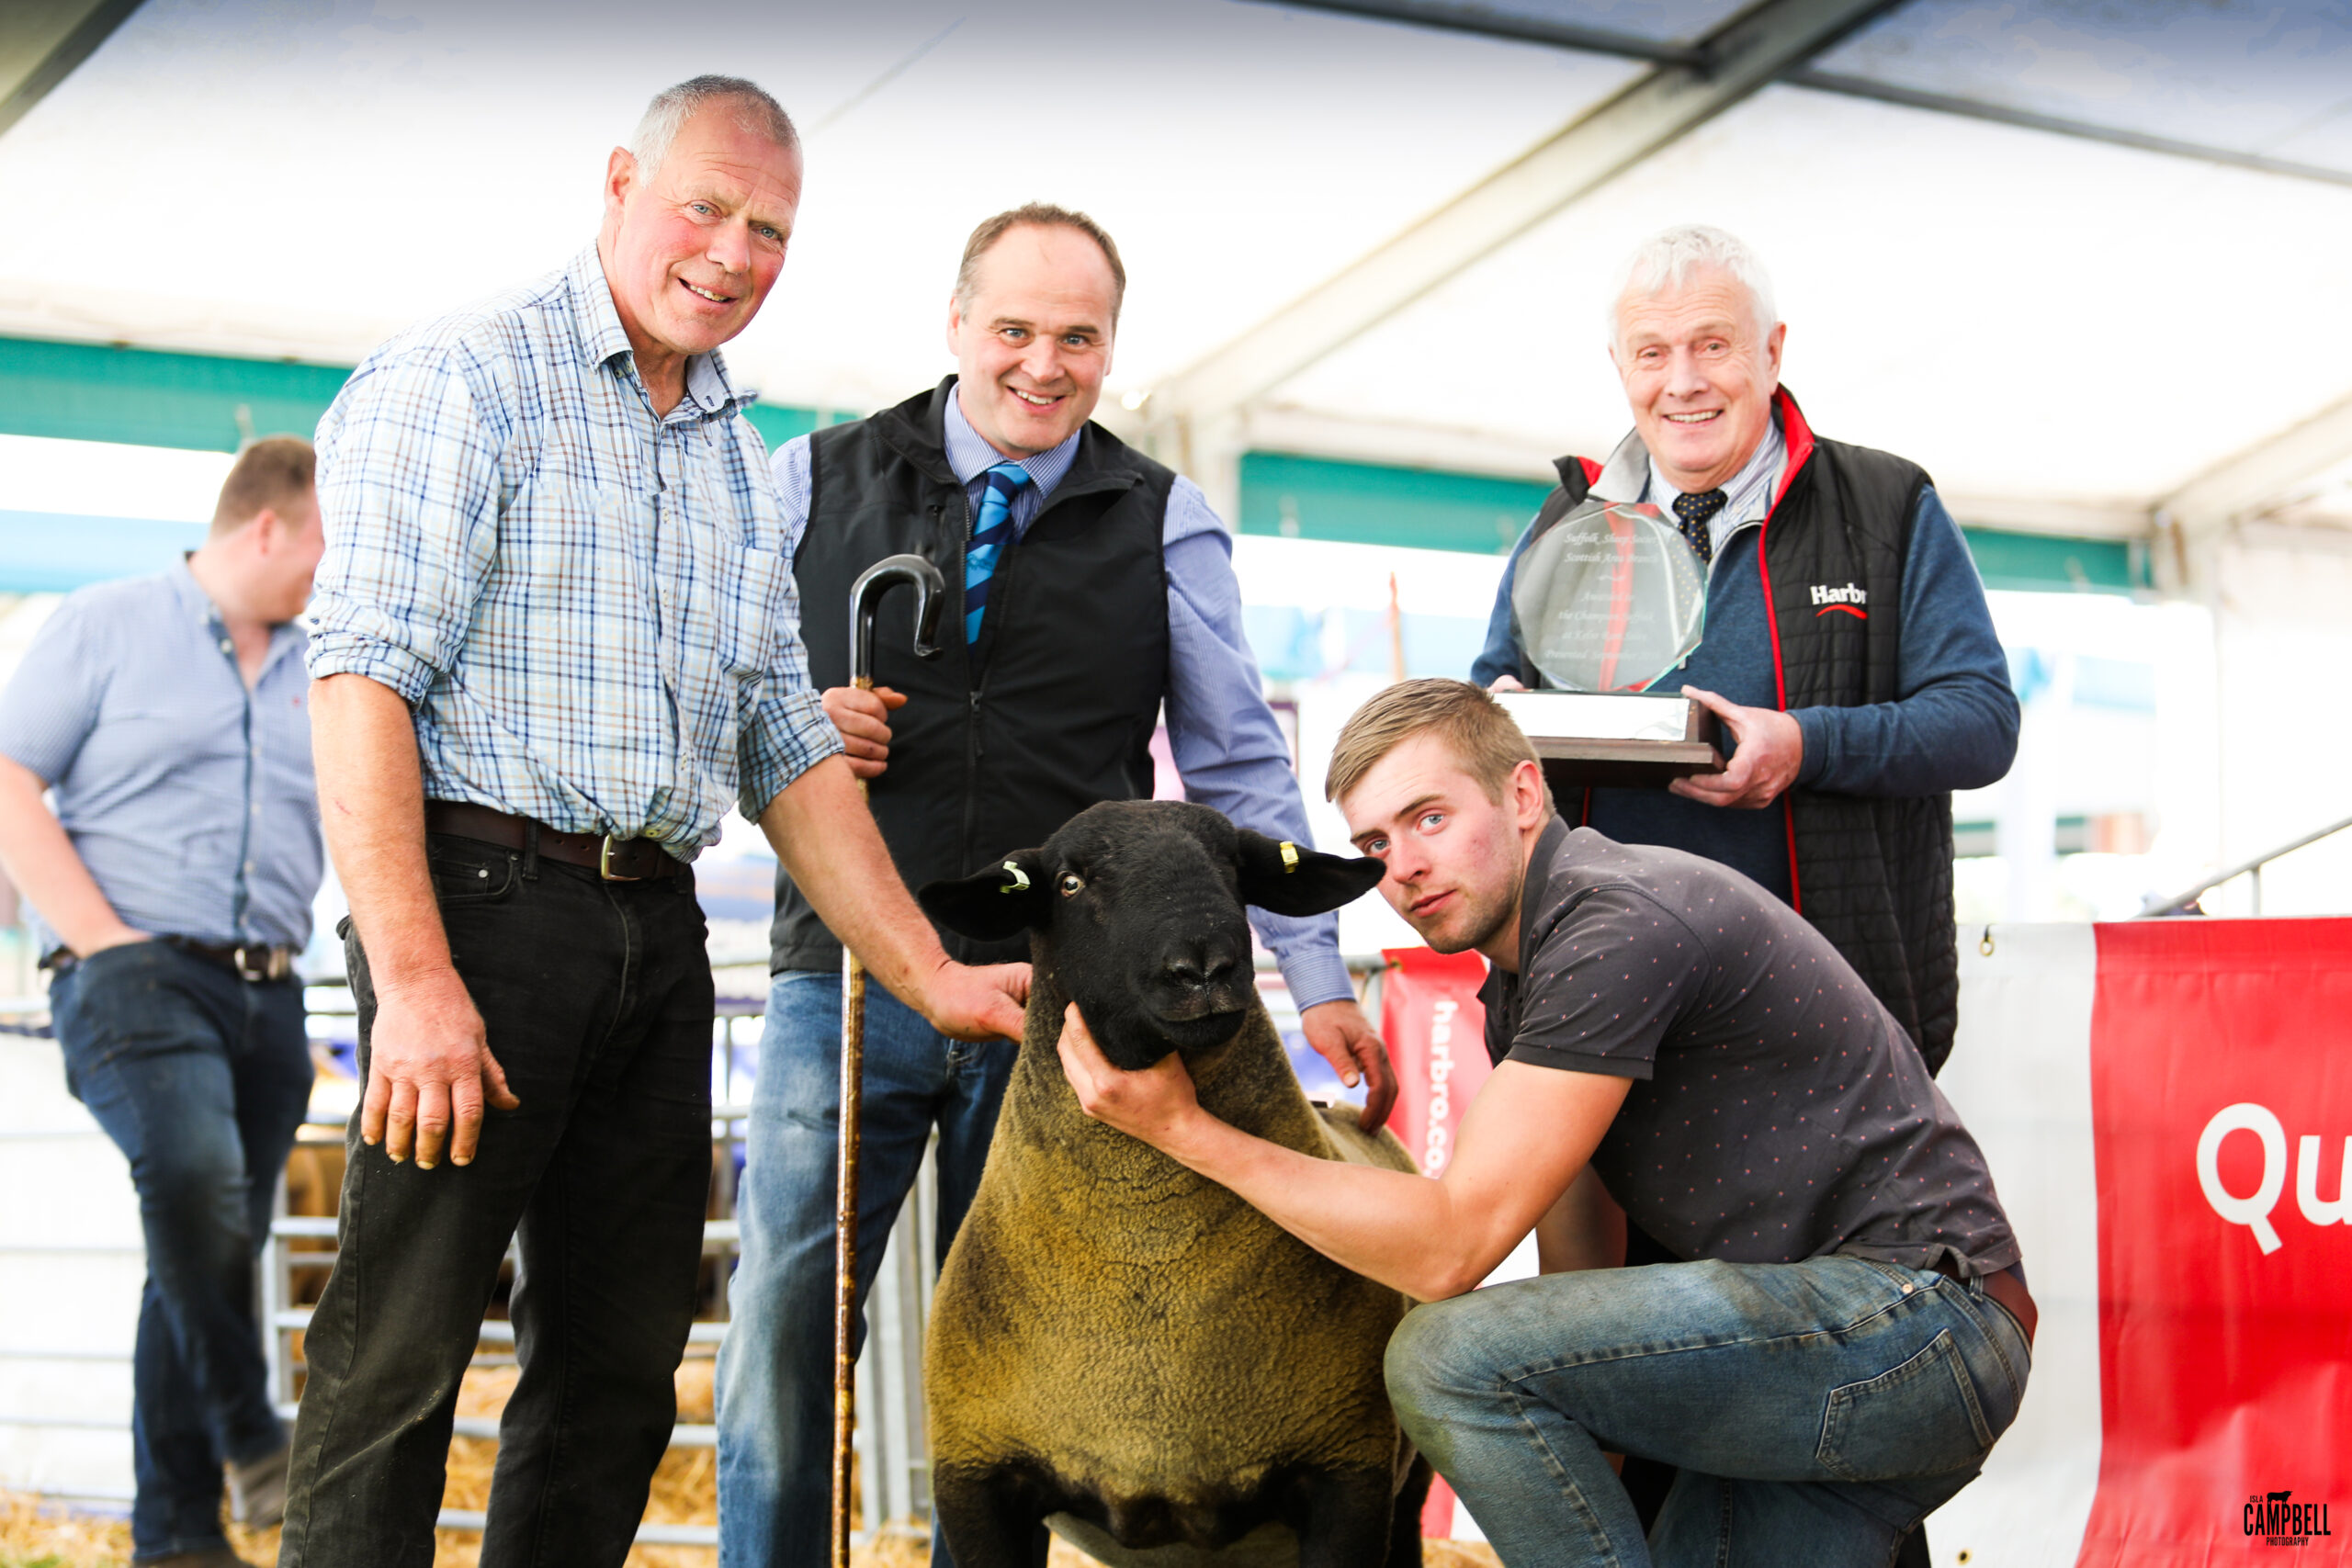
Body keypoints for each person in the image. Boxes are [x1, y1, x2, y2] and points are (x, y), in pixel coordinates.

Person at [276, 77, 1026, 1568]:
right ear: (619, 182)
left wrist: (930, 974)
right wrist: (415, 981)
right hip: (476, 906)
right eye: (707, 206)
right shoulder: (466, 376)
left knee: (620, 1376)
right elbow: (360, 680)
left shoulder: (737, 455)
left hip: (655, 923)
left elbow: (779, 740)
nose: (735, 252)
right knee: (402, 1361)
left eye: (771, 230)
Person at [716, 202, 1396, 1568]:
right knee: (790, 1313)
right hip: (841, 968)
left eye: (1076, 337)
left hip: (1061, 1006)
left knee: (1052, 1352)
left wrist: (1316, 979)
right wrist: (794, 719)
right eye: (1014, 328)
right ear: (957, 324)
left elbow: (1236, 758)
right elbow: (716, 695)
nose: (1043, 362)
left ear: (1111, 351)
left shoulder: (1162, 514)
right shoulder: (804, 478)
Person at [1056, 678, 2033, 1568]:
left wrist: (1183, 1132)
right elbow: (1581, 1260)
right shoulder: (1522, 984)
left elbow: (1448, 1253)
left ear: (1523, 797)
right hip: (1856, 1351)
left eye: (1428, 818)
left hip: (1913, 1329)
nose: (1403, 868)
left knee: (1444, 1356)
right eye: (1374, 845)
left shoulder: (1616, 923)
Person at [1471, 224, 2017, 1078]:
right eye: (1651, 354)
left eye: (1712, 346)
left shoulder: (1884, 505)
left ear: (1772, 351)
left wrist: (1805, 746)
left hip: (1827, 1020)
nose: (1682, 382)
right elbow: (1488, 715)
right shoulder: (1566, 523)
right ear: (1620, 368)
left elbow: (1982, 723)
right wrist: (1497, 716)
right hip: (1601, 1017)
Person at [0, 437, 326, 1568]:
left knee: (207, 1248)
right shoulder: (105, 622)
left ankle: (176, 1537)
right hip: (133, 970)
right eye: (327, 547)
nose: (334, 577)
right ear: (269, 525)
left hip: (269, 995)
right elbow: (6, 778)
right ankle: (252, 1434)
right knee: (192, 1183)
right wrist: (103, 942)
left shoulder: (325, 662)